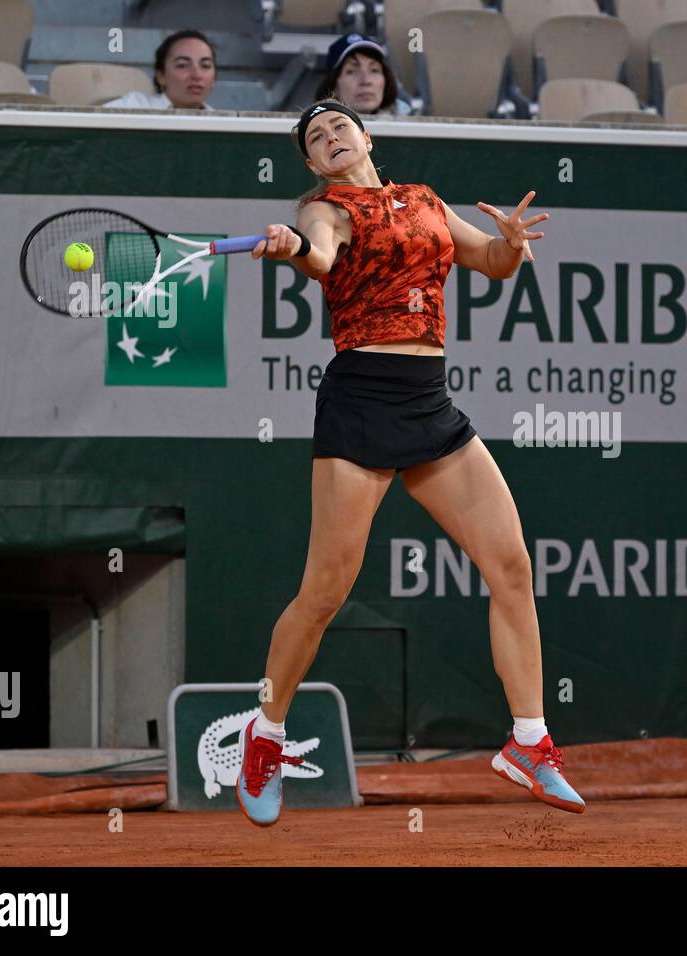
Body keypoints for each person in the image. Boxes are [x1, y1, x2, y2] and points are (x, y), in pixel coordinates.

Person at [233, 100, 582, 827]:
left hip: (430, 402)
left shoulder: (424, 200)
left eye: (339, 128)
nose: (331, 139)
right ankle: (264, 735)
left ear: (367, 136)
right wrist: (294, 248)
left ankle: (528, 743)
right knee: (325, 592)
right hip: (361, 403)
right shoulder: (324, 208)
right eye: (315, 139)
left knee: (511, 566)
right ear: (311, 163)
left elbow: (490, 263)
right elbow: (322, 256)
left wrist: (511, 243)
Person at [103, 29, 216, 110]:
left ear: (214, 79)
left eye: (205, 66)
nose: (196, 75)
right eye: (182, 65)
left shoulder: (223, 124)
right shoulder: (134, 107)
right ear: (161, 76)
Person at [314, 33, 411, 116]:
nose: (366, 81)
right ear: (332, 87)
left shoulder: (410, 129)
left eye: (374, 70)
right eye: (351, 71)